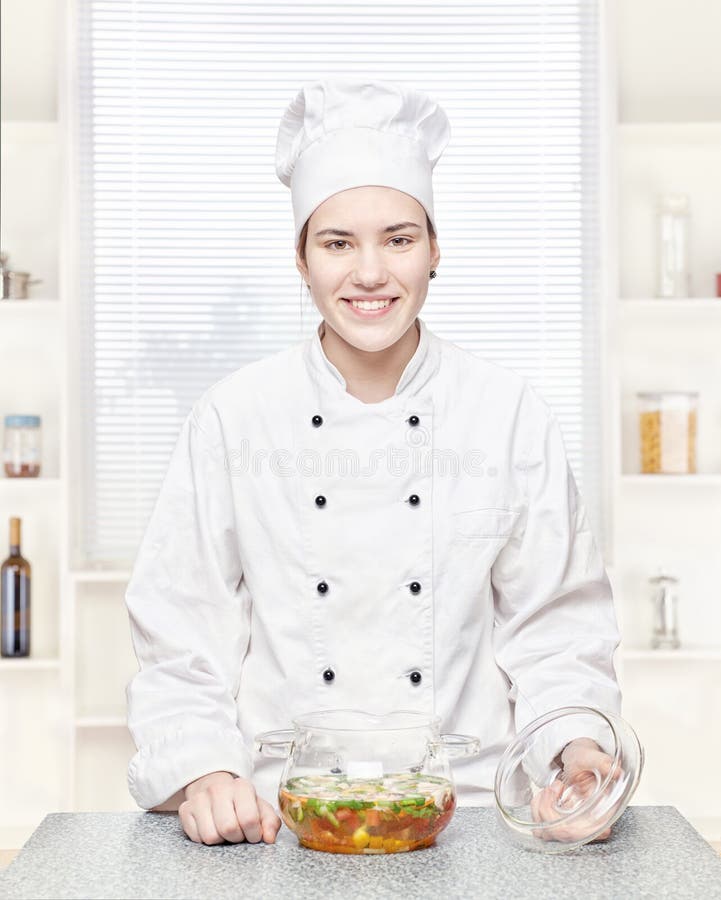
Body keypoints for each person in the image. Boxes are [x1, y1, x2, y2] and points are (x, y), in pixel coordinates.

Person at [124, 78, 623, 847]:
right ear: (300, 259)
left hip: (468, 819)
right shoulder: (234, 415)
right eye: (336, 243)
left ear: (434, 251)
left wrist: (576, 751)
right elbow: (181, 629)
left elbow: (554, 627)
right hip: (280, 817)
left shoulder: (507, 413)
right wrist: (204, 774)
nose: (368, 273)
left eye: (397, 239)